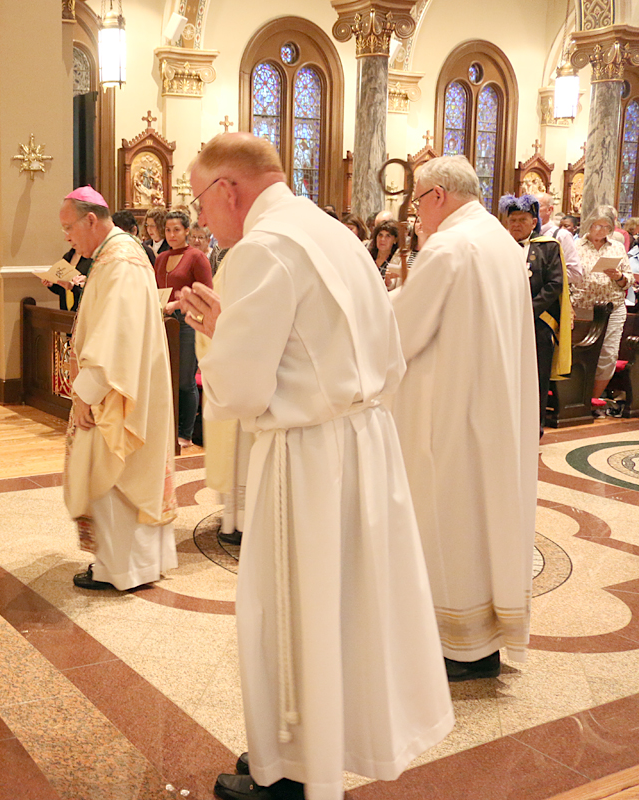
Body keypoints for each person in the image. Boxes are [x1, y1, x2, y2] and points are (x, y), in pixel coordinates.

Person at [177, 133, 452, 800]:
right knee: (344, 606)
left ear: (228, 190)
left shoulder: (260, 249)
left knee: (290, 611)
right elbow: (368, 349)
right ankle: (312, 749)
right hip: (364, 441)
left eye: (199, 201)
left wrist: (211, 339)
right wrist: (233, 332)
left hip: (305, 459)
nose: (200, 218)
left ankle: (290, 771)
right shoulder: (334, 234)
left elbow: (242, 392)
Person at [390, 155, 538, 683]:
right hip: (495, 408)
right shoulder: (499, 240)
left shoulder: (449, 246)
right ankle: (485, 640)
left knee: (450, 519)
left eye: (417, 202)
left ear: (437, 195)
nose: (416, 214)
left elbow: (403, 331)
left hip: (454, 412)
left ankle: (460, 646)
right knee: (488, 517)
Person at [59, 186, 178, 593]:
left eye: (69, 228)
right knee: (115, 473)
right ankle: (133, 563)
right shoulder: (117, 254)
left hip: (114, 392)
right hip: (123, 384)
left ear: (91, 219)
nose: (67, 237)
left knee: (113, 473)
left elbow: (114, 340)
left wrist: (85, 395)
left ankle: (121, 569)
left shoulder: (119, 262)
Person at [501, 194, 570, 431]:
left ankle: (534, 427)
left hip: (538, 323)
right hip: (504, 322)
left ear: (533, 222)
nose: (516, 224)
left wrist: (528, 311)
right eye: (513, 220)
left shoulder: (548, 247)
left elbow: (554, 284)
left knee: (536, 378)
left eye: (522, 220)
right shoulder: (499, 247)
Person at [155, 209, 212, 446]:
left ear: (187, 231)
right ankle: (169, 427)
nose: (171, 234)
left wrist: (177, 304)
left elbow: (206, 292)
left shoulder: (196, 257)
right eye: (168, 230)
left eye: (176, 230)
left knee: (185, 379)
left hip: (188, 321)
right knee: (167, 377)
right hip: (164, 321)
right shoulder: (161, 257)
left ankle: (185, 433)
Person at [571, 206, 632, 403]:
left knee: (608, 354)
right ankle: (576, 400)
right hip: (582, 307)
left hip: (611, 307)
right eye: (597, 225)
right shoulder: (576, 246)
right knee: (579, 354)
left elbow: (629, 279)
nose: (601, 230)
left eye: (606, 227)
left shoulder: (617, 247)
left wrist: (619, 276)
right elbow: (566, 276)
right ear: (589, 225)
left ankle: (593, 400)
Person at [537, 193, 580, 285]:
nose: (532, 210)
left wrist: (543, 276)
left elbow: (575, 274)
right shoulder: (523, 234)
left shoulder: (562, 235)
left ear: (549, 210)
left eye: (538, 205)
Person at [42, 247, 91, 311]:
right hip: (65, 308)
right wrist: (52, 285)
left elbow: (91, 291)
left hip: (82, 308)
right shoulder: (68, 256)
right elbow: (62, 290)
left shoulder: (91, 259)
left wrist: (73, 287)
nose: (69, 241)